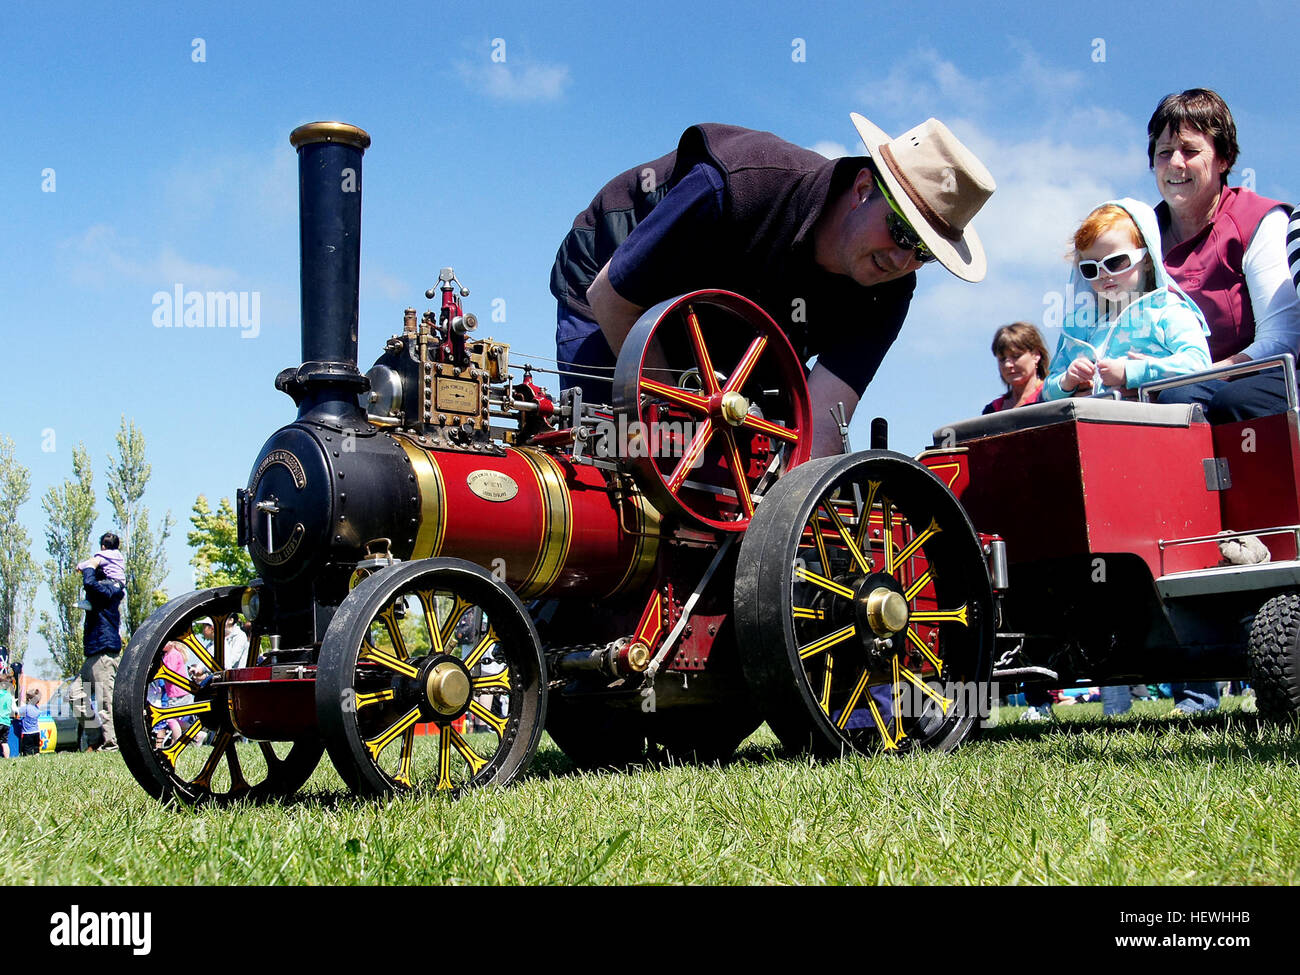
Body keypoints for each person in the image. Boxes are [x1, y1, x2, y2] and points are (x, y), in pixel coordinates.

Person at [552, 115, 997, 458]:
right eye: (901, 232)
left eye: (924, 252)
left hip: (737, 332)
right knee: (618, 453)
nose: (902, 260)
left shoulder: (891, 292)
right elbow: (611, 297)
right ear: (863, 188)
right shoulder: (740, 184)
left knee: (744, 469)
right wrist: (679, 421)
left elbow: (822, 420)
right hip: (617, 285)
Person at [1147, 89, 1299, 423]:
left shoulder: (1258, 220)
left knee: (1200, 398)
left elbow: (1282, 339)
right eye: (1164, 152)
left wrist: (1201, 374)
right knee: (1166, 401)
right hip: (1174, 385)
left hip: (1256, 380)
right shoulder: (1139, 238)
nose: (1175, 163)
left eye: (1190, 151)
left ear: (1224, 159)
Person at [1043, 199, 1210, 401]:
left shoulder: (1167, 310)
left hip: (1148, 417)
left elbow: (1199, 364)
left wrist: (1131, 372)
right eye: (1090, 268)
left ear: (1147, 259)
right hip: (1092, 419)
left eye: (1115, 262)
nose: (1103, 274)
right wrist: (1066, 381)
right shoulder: (1081, 326)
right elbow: (1047, 391)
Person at [69, 531, 126, 751]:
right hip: (93, 653)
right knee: (74, 694)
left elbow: (90, 584)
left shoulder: (111, 589)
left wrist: (89, 567)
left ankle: (112, 744)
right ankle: (96, 737)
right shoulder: (102, 589)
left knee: (105, 702)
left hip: (104, 653)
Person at [983, 322, 1049, 413]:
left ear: (1036, 355)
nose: (1007, 365)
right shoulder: (993, 410)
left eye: (1016, 356)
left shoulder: (1051, 397)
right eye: (1002, 359)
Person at [18, 689, 42, 756]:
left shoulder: (26, 708)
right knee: (36, 749)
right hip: (36, 732)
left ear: (28, 699)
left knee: (27, 749)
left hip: (27, 733)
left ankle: (28, 758)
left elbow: (17, 711)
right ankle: (37, 758)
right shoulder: (37, 708)